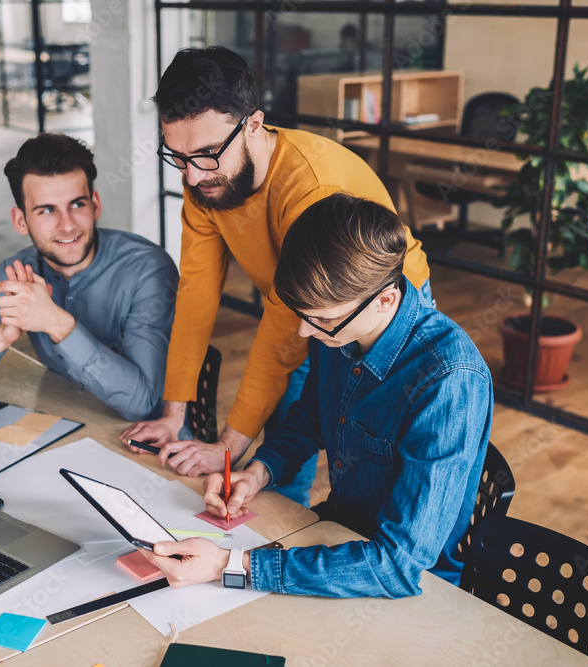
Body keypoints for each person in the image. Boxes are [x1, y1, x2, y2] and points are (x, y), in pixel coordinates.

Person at [120, 46, 432, 506]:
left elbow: (284, 325)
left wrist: (228, 447)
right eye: (178, 157)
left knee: (378, 458)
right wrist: (173, 414)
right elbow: (197, 292)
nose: (190, 176)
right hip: (304, 309)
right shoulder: (205, 178)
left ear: (253, 123)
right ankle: (277, 548)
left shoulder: (312, 189)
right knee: (286, 435)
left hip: (375, 307)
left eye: (206, 153)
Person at [141, 193, 492, 597]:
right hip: (335, 535)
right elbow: (310, 418)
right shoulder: (343, 324)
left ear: (386, 300)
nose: (306, 332)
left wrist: (229, 565)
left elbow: (397, 565)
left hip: (405, 584)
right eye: (303, 315)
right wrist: (258, 472)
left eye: (321, 319)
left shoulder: (449, 381)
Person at [0, 133, 178, 421]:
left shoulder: (147, 269)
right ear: (20, 221)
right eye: (46, 210)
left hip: (153, 447)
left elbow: (143, 405)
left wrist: (57, 323)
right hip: (72, 422)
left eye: (77, 204)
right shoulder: (16, 274)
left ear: (95, 204)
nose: (67, 224)